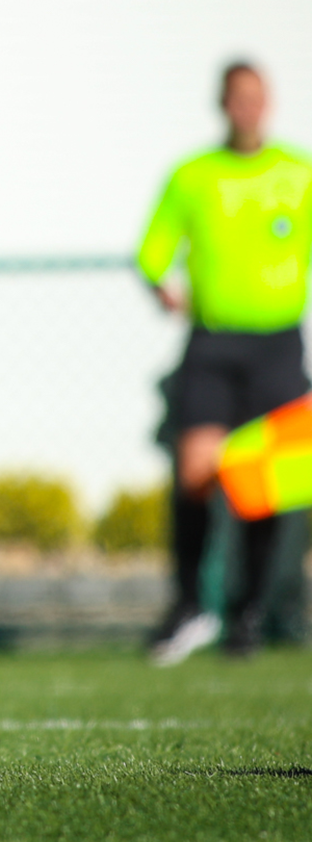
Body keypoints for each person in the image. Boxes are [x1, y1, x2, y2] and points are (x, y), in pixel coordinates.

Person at [138, 61, 312, 665]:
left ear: (269, 104)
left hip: (279, 346)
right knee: (196, 471)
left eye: (257, 98)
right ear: (223, 104)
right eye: (238, 98)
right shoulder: (193, 176)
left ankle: (249, 615)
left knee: (263, 486)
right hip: (212, 344)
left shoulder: (298, 173)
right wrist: (160, 285)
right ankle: (189, 605)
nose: (248, 108)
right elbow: (153, 251)